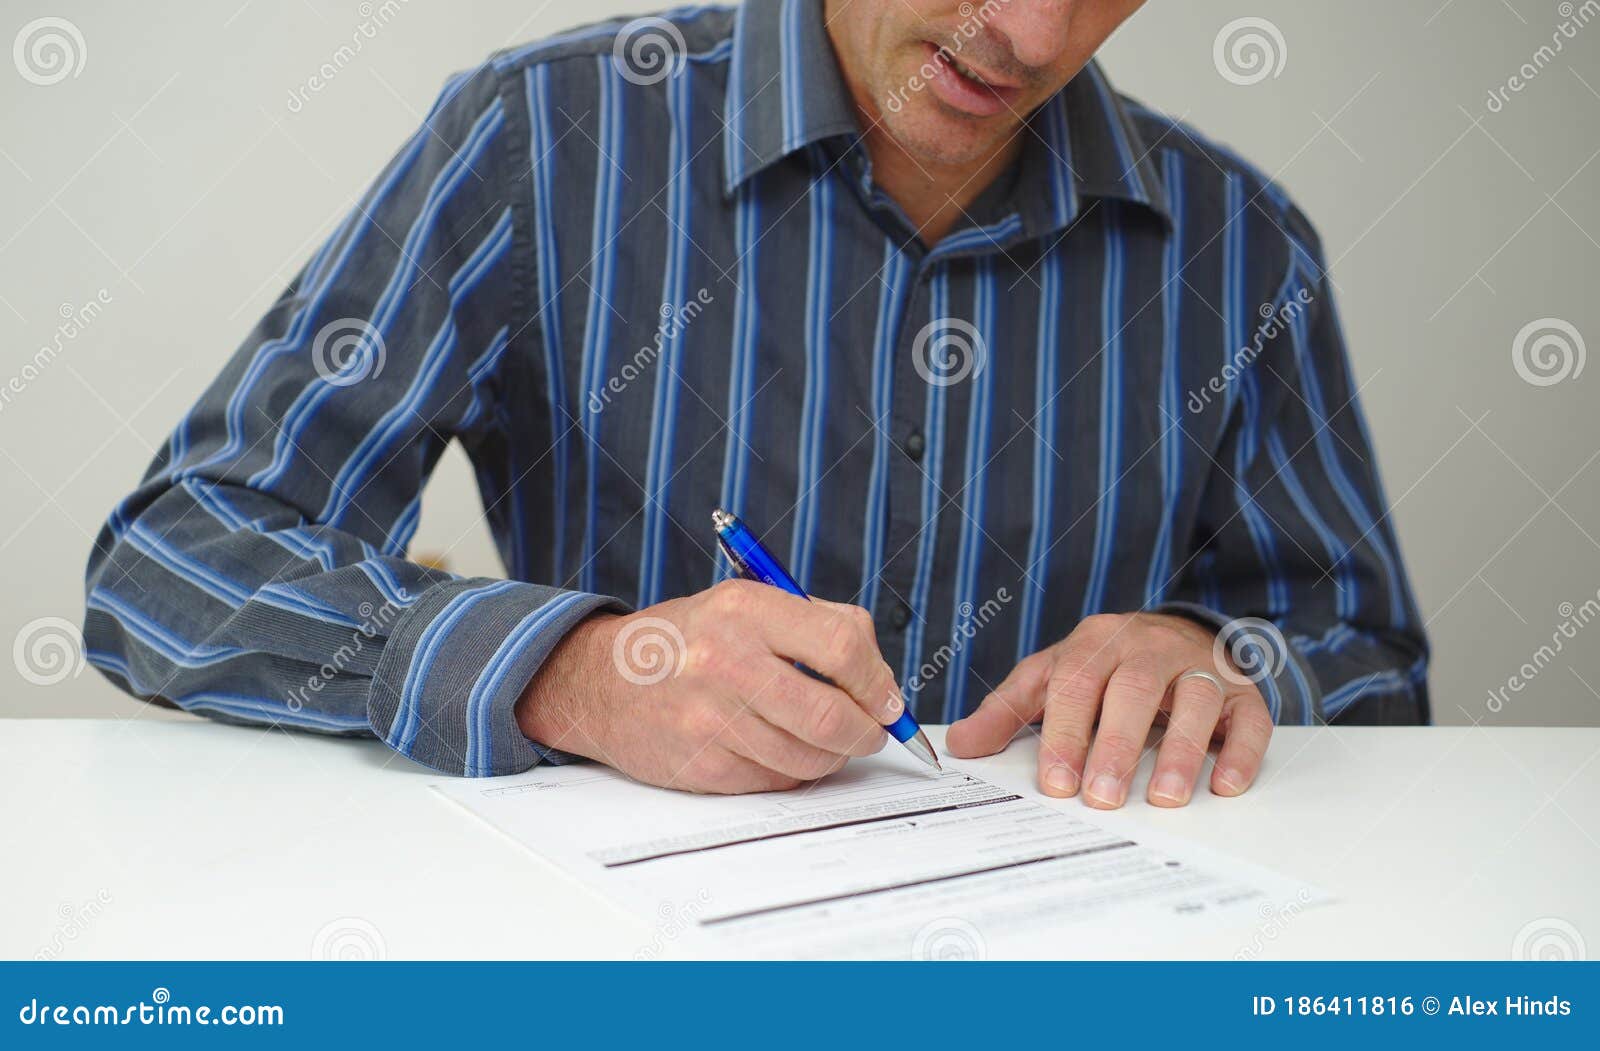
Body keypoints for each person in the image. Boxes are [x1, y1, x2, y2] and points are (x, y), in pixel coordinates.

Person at [83, 0, 1429, 808]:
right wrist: (566, 675)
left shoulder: (1241, 248)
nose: (1025, 36)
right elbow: (168, 563)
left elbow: (1369, 665)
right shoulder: (546, 139)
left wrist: (1217, 661)